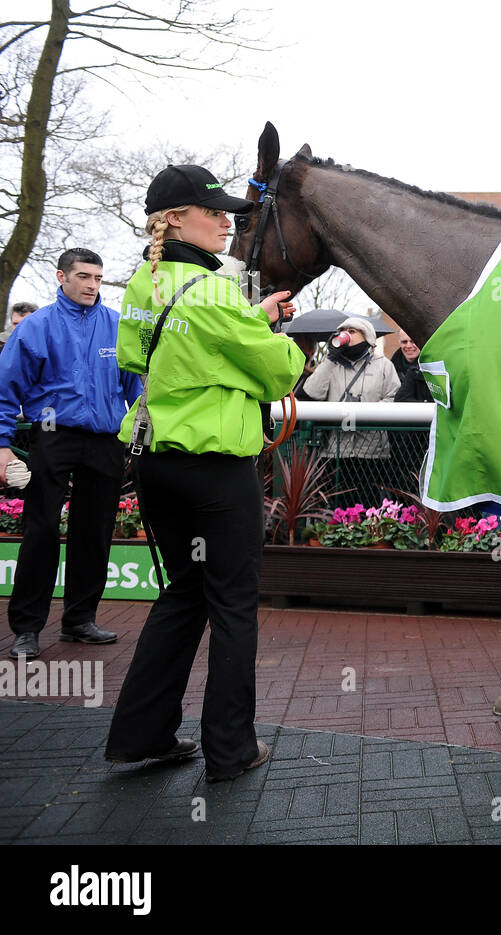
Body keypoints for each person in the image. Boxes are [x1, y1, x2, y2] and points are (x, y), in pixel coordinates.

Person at [103, 164, 304, 781]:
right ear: (173, 219)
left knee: (183, 593)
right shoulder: (218, 293)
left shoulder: (142, 283)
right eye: (211, 211)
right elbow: (281, 371)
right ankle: (230, 749)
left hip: (157, 462)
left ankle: (142, 736)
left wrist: (247, 327)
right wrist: (266, 331)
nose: (225, 220)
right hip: (218, 470)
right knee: (234, 605)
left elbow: (140, 355)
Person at [0, 250, 142, 660]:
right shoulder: (36, 327)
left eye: (98, 277)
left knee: (94, 531)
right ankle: (26, 628)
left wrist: (141, 434)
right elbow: (6, 391)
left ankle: (80, 620)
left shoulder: (118, 326)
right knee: (41, 530)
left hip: (105, 440)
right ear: (61, 276)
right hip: (52, 435)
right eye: (83, 276)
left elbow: (135, 388)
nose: (92, 285)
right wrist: (3, 445)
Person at [302, 316, 400, 503]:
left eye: (352, 331)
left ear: (368, 337)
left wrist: (366, 414)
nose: (345, 334)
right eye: (342, 330)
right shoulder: (332, 363)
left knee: (367, 503)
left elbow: (393, 398)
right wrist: (329, 360)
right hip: (335, 450)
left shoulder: (384, 365)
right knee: (336, 504)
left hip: (371, 451)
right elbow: (312, 393)